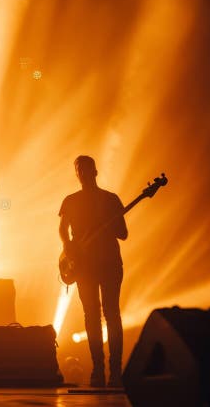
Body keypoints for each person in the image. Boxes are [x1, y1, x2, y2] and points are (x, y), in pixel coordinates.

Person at [59, 155, 127, 388]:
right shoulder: (70, 201)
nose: (83, 174)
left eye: (86, 170)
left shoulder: (110, 200)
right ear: (77, 174)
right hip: (84, 266)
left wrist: (110, 220)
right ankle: (99, 370)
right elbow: (62, 229)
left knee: (111, 314)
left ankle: (115, 372)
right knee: (92, 316)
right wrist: (68, 246)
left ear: (95, 172)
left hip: (108, 263)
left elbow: (123, 233)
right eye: (79, 170)